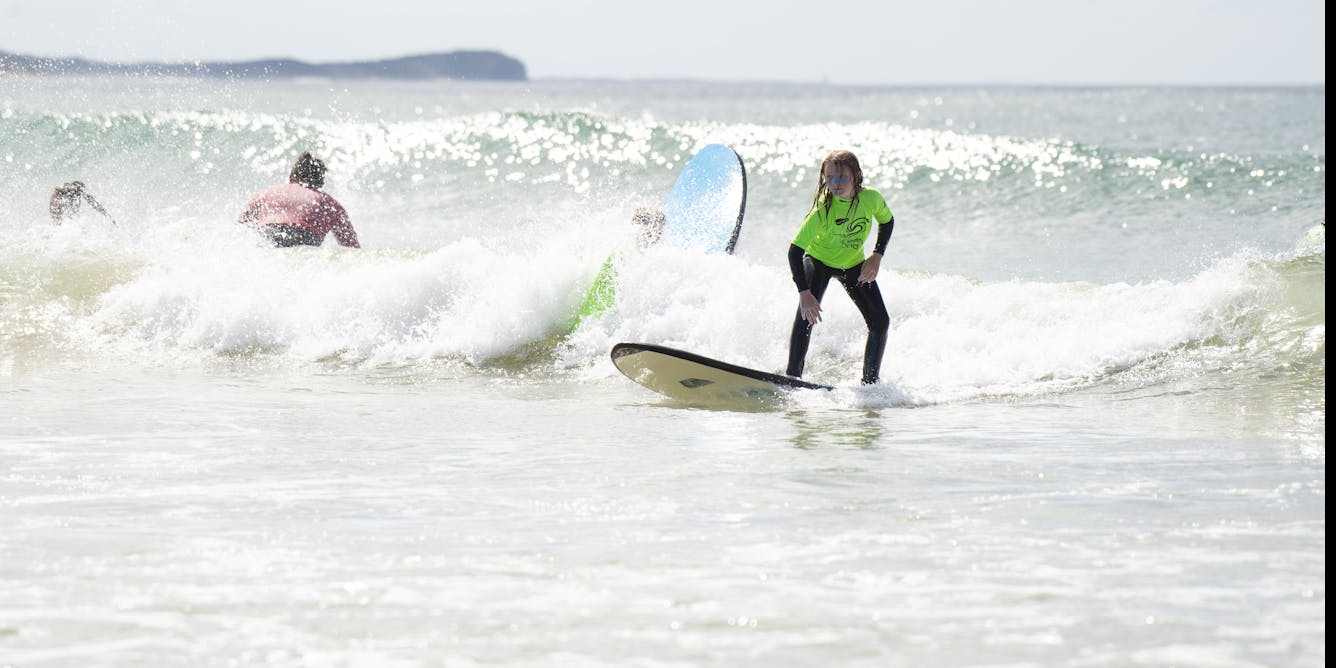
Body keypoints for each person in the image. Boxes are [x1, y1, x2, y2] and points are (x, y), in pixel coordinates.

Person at [785, 150, 894, 385]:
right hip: (819, 262)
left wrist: (877, 255)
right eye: (830, 178)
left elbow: (887, 220)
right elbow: (794, 251)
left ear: (856, 176)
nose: (835, 184)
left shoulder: (871, 199)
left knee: (880, 322)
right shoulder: (822, 212)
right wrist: (804, 293)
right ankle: (792, 378)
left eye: (842, 177)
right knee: (806, 318)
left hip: (853, 264)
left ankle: (870, 385)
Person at [237, 151, 360, 248]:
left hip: (267, 232)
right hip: (305, 236)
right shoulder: (330, 204)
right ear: (321, 182)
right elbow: (351, 248)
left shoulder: (266, 193)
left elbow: (240, 226)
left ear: (292, 176)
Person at [50, 181, 116, 224]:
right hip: (58, 199)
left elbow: (94, 203)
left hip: (60, 200)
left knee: (69, 217)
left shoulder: (78, 191)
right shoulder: (65, 191)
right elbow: (93, 203)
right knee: (59, 219)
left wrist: (107, 215)